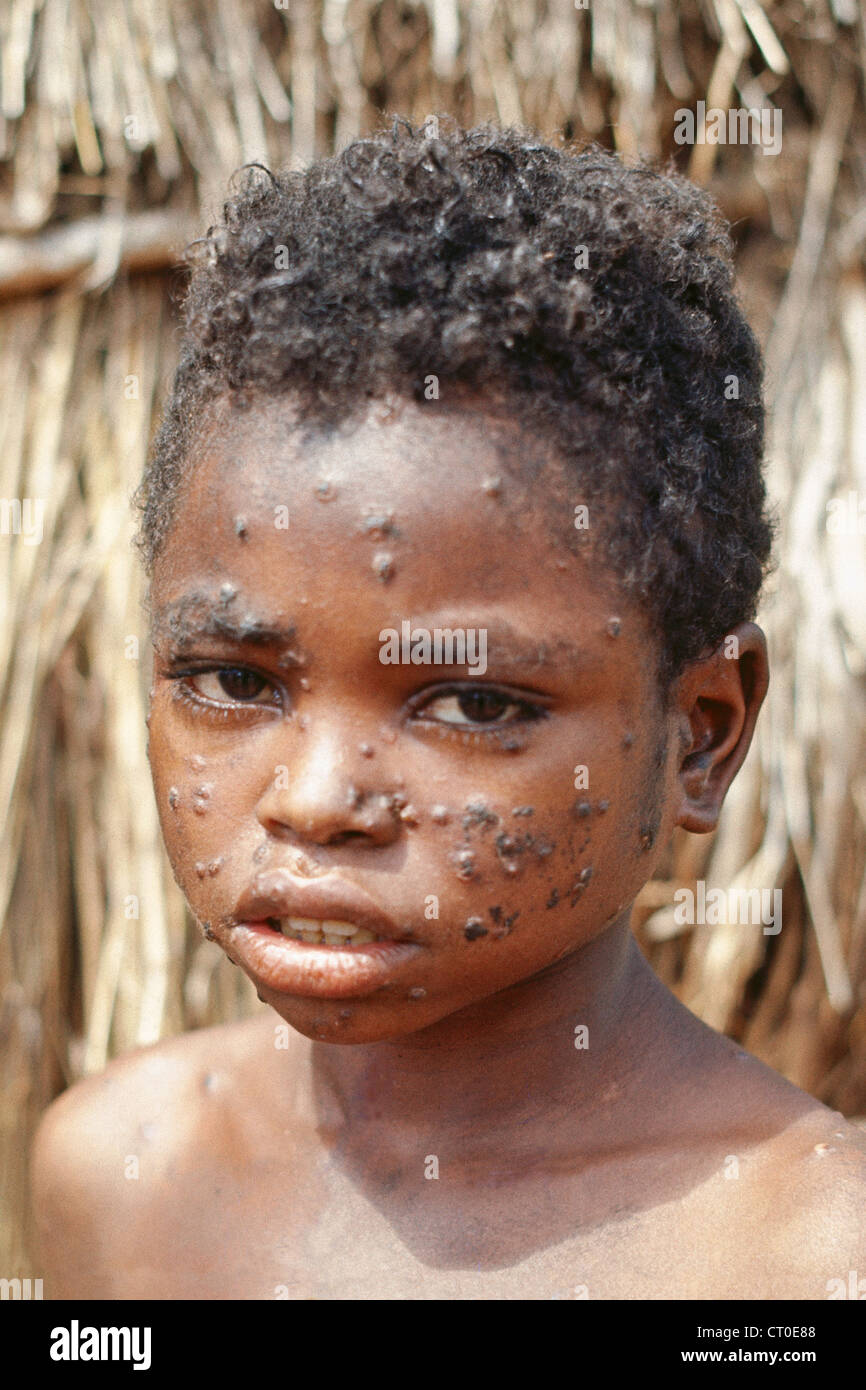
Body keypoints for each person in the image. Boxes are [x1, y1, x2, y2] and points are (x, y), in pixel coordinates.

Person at [31, 118, 865, 1299]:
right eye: (232, 681)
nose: (317, 800)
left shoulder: (801, 1261)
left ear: (701, 733)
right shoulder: (121, 1176)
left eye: (471, 701)